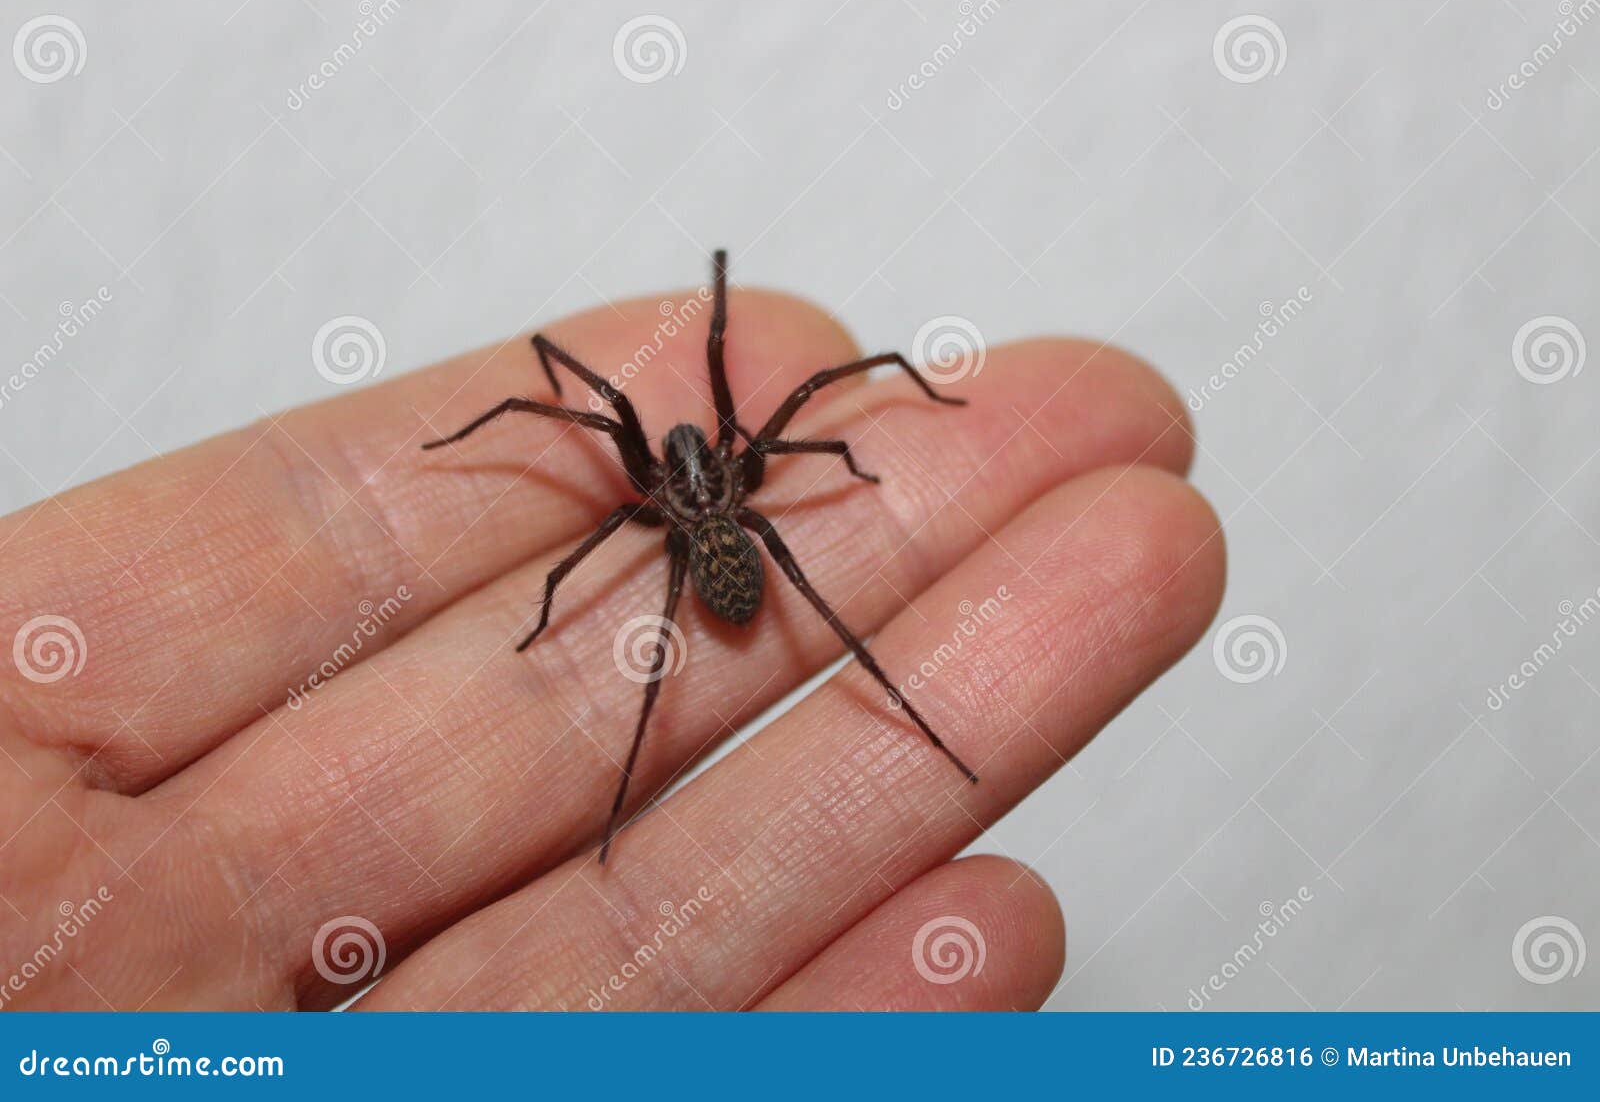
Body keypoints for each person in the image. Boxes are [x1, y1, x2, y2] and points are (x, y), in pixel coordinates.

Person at [0, 287, 1222, 1010]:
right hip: (719, 547)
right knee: (659, 628)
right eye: (687, 459)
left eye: (700, 457)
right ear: (688, 478)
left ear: (701, 476)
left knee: (814, 585)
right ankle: (637, 801)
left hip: (724, 549)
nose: (691, 451)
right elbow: (574, 472)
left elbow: (798, 416)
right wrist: (548, 519)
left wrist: (802, 394)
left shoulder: (690, 493)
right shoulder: (683, 494)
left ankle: (919, 718)